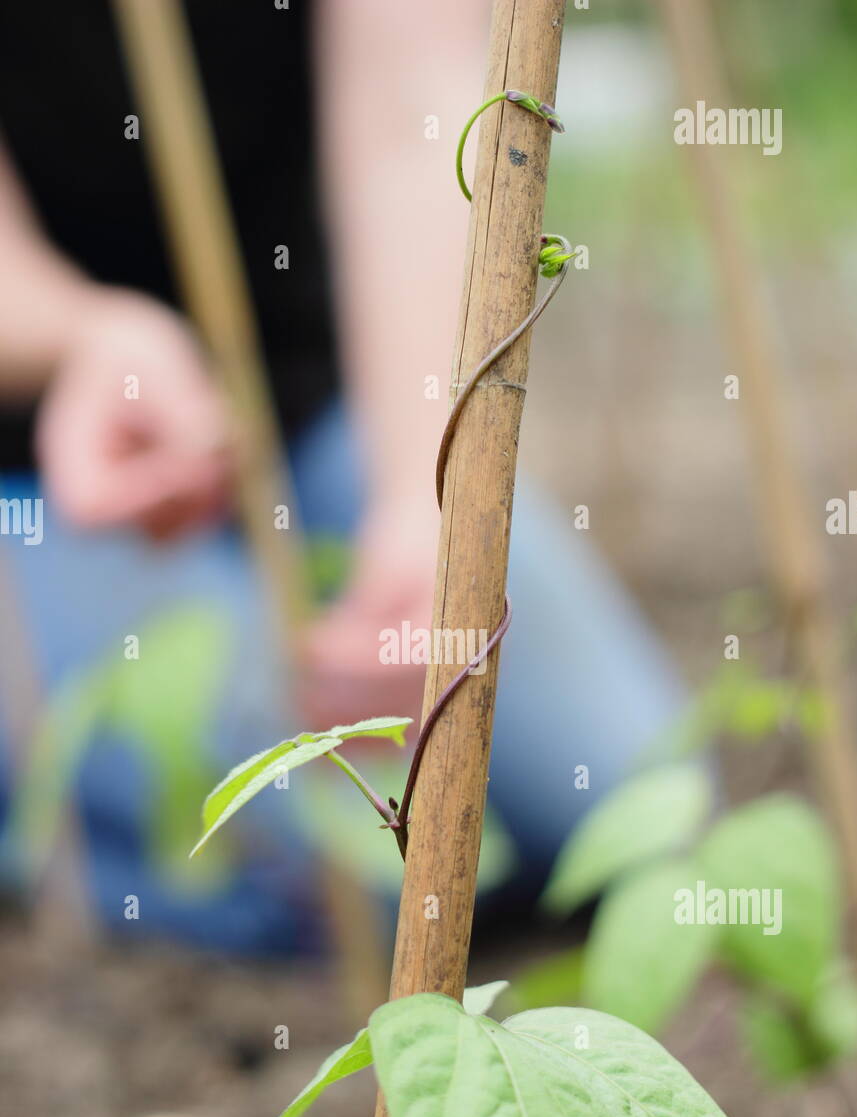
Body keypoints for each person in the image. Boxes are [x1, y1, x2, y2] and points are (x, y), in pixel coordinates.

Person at [0, 0, 684, 953]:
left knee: (631, 807)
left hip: (320, 402)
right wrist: (83, 336)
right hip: (37, 465)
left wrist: (421, 494)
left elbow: (416, 104)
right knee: (322, 869)